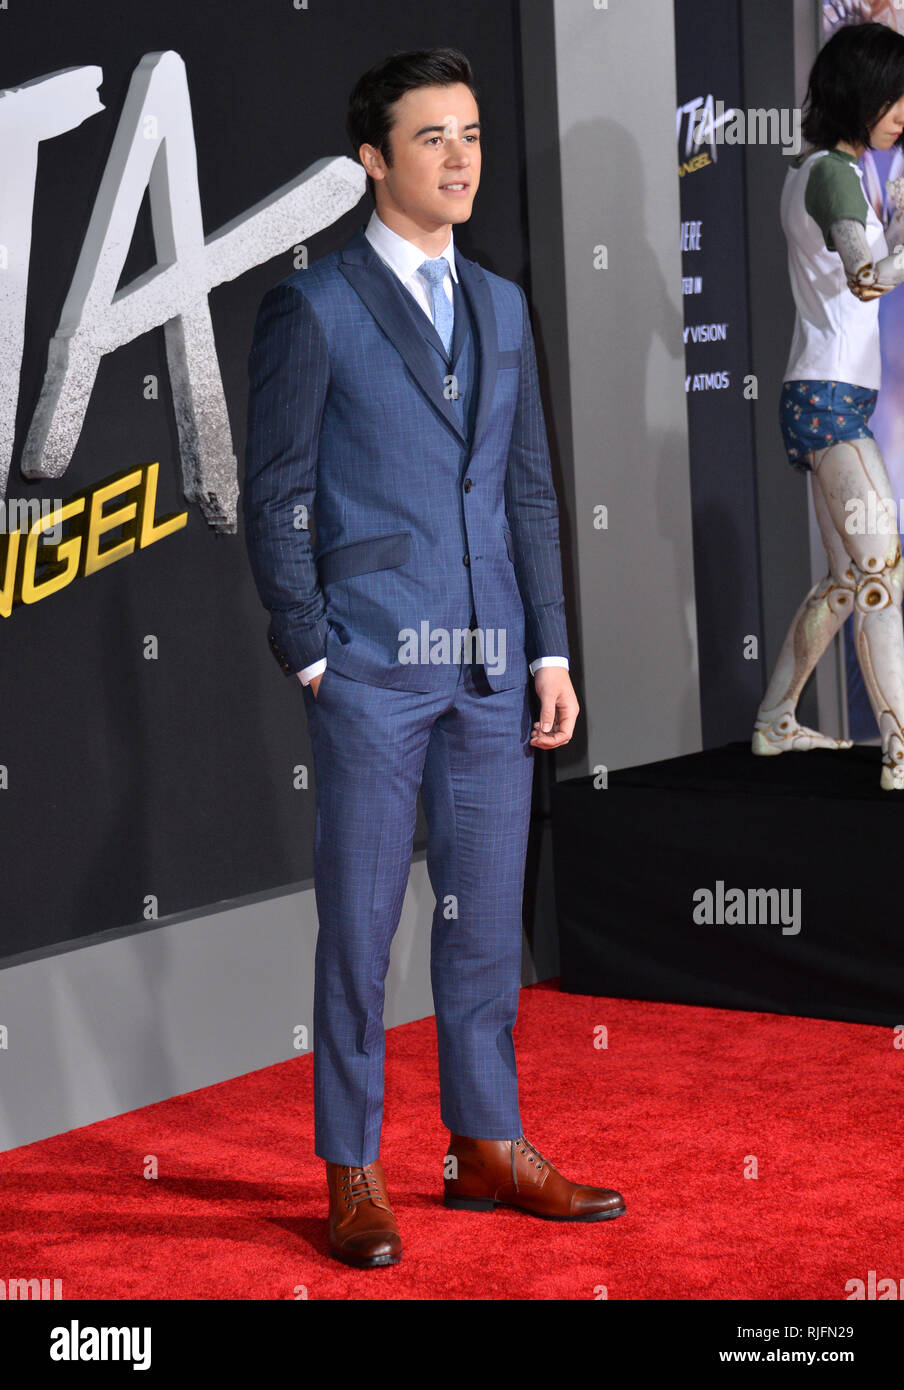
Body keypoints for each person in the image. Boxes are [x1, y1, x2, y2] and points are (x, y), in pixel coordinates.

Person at [243, 48, 625, 1268]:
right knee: (361, 929)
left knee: (479, 926)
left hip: (493, 666)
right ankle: (352, 1164)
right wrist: (312, 653)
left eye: (469, 134)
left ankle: (484, 1144)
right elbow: (276, 497)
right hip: (368, 670)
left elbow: (527, 495)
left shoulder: (504, 306)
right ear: (373, 159)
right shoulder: (314, 307)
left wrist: (550, 649)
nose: (460, 157)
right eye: (431, 138)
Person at [753, 21, 904, 790]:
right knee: (881, 574)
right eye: (894, 96)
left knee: (849, 580)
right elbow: (868, 280)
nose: (903, 112)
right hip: (830, 403)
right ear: (859, 92)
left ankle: (776, 717)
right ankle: (901, 752)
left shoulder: (814, 168)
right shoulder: (835, 176)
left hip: (821, 394)